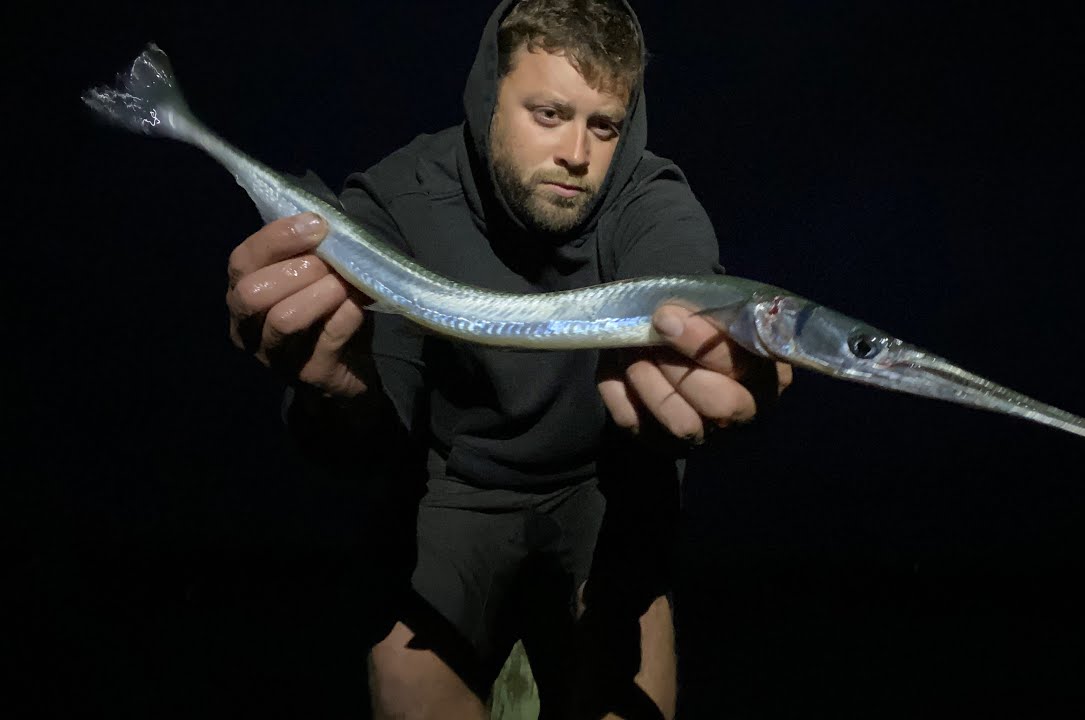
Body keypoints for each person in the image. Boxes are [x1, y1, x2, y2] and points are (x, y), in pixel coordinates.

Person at [224, 1, 791, 717]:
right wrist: (337, 391)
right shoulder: (398, 197)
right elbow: (364, 428)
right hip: (456, 489)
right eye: (548, 113)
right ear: (490, 96)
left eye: (603, 125)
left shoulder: (650, 199)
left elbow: (680, 269)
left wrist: (717, 364)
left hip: (604, 489)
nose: (578, 155)